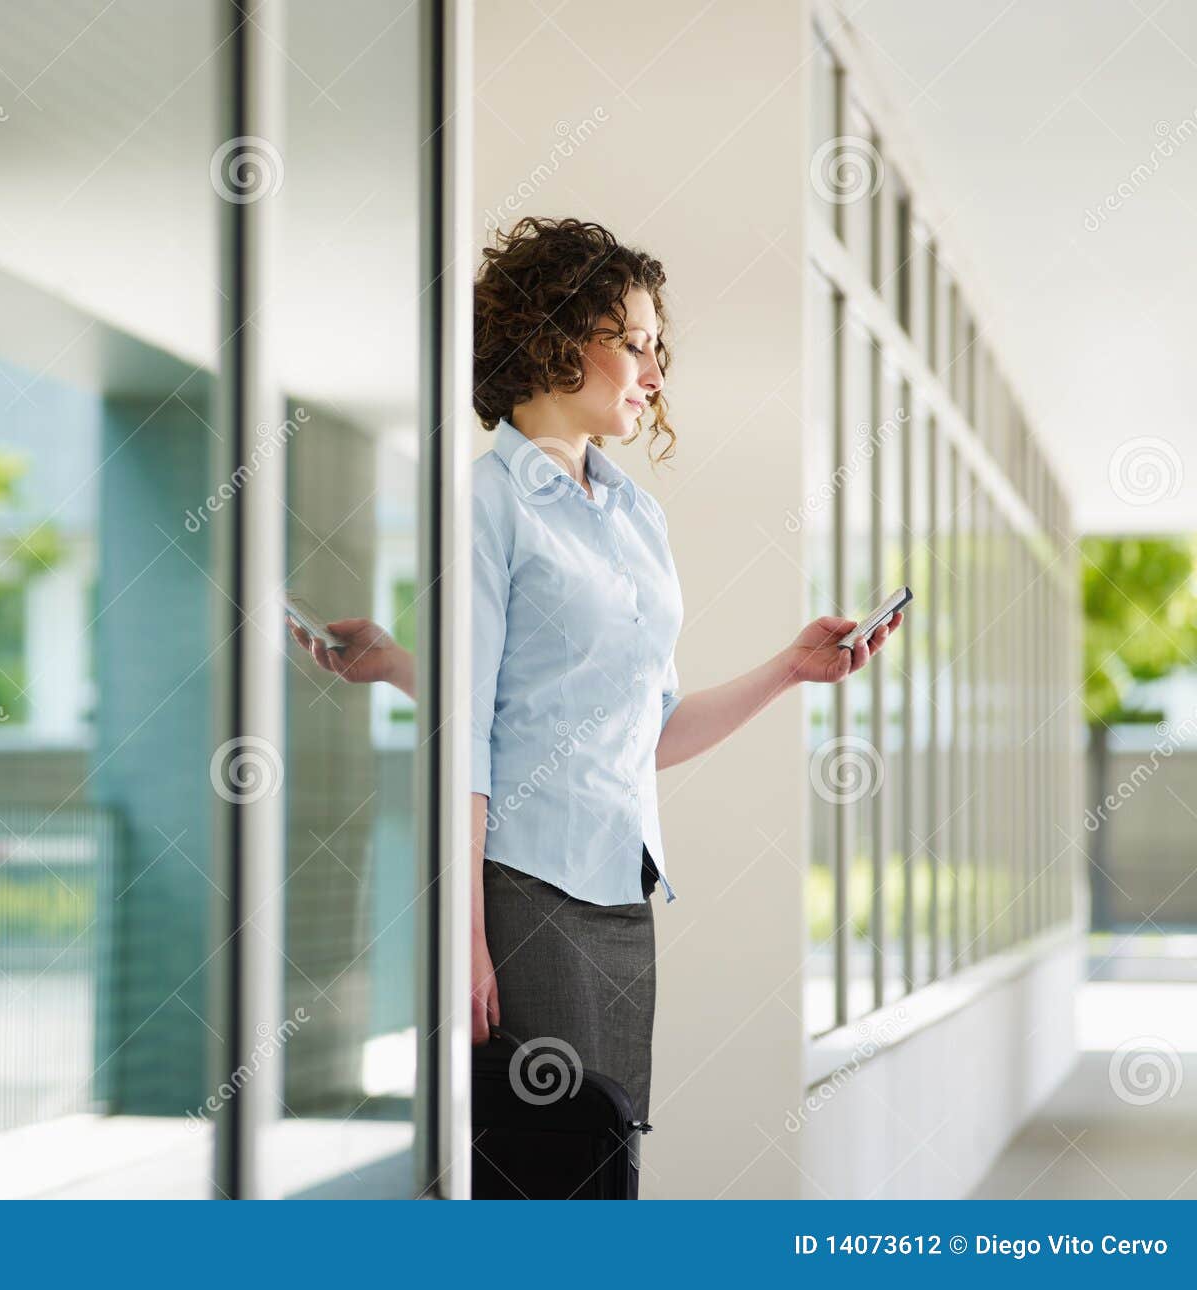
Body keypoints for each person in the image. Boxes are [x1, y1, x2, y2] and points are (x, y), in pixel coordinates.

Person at [287, 216, 899, 1125]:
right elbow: (469, 738)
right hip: (526, 892)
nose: (656, 374)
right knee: (553, 1178)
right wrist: (465, 939)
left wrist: (789, 670)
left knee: (606, 1159)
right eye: (635, 345)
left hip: (622, 889)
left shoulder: (633, 518)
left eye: (660, 349)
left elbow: (641, 732)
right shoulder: (486, 504)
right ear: (554, 339)